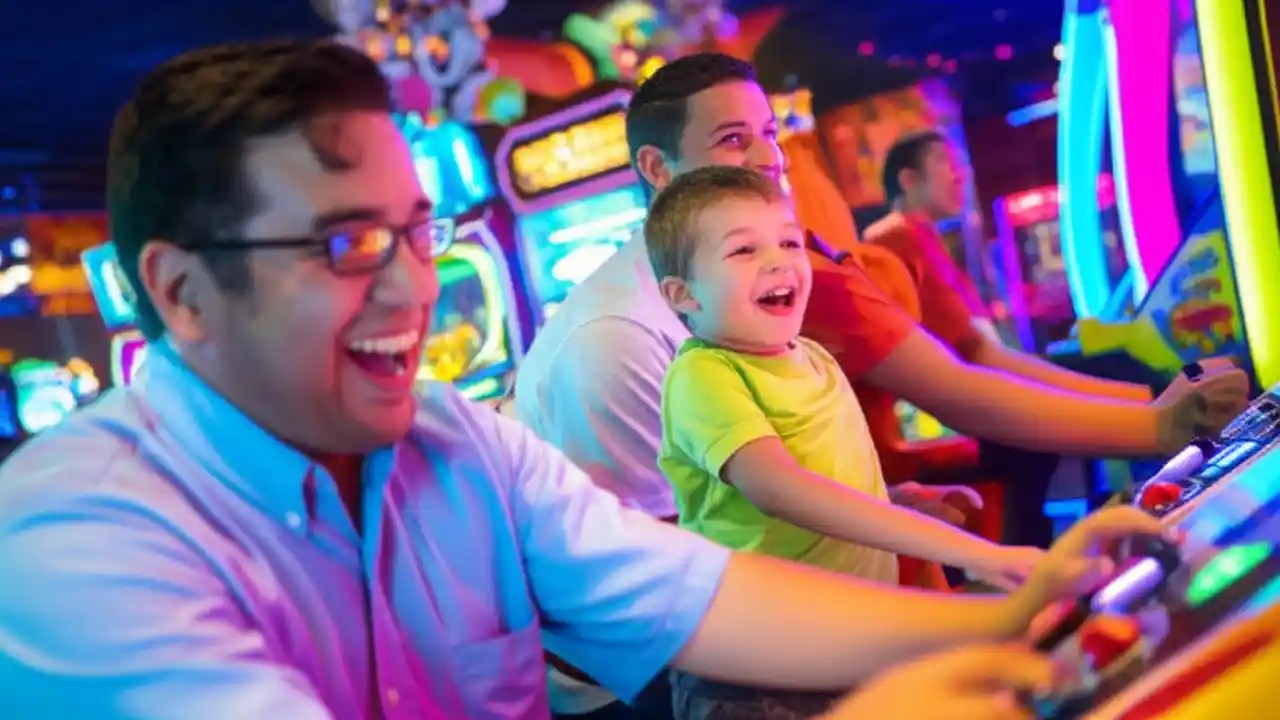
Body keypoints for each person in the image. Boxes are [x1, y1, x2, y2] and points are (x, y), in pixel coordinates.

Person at [0, 39, 1173, 720]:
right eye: (351, 245)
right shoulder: (74, 536)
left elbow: (702, 593)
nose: (415, 290)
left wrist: (1011, 611)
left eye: (419, 234)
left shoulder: (456, 444)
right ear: (182, 291)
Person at [514, 51, 1247, 715]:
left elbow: (744, 505)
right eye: (734, 141)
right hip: (640, 669)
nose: (769, 160)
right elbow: (668, 573)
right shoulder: (625, 340)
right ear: (655, 168)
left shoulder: (771, 305)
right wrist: (1000, 560)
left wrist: (882, 498)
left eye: (771, 134)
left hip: (783, 618)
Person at [648, 165, 1045, 717]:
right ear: (683, 294)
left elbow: (826, 485)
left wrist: (898, 501)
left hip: (843, 643)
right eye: (743, 251)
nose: (778, 260)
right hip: (755, 673)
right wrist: (978, 553)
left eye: (789, 241)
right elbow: (782, 489)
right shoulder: (705, 376)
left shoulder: (812, 358)